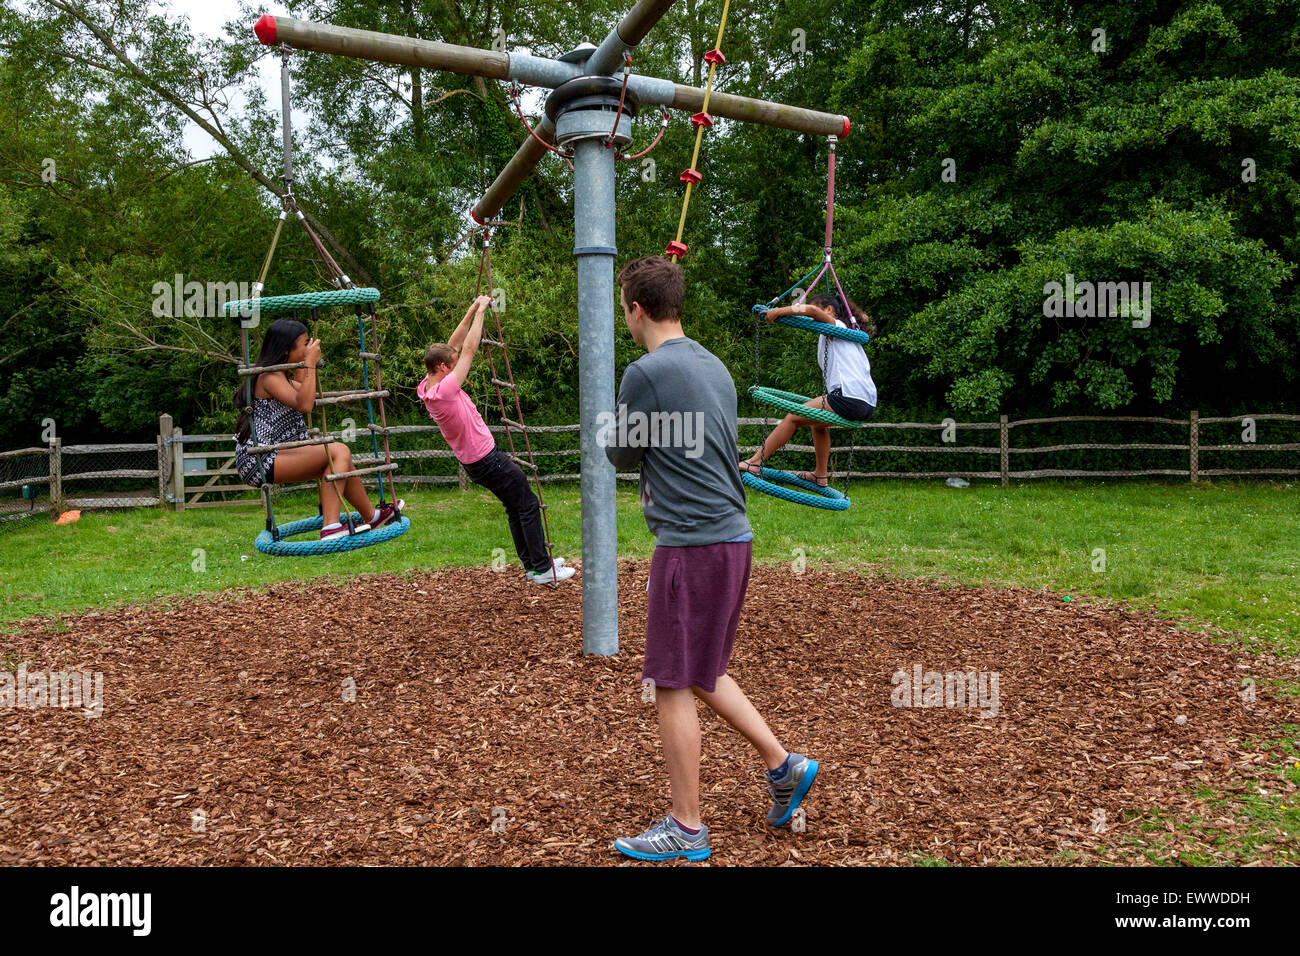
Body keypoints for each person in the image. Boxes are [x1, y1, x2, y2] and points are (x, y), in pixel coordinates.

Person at [605, 255, 818, 863]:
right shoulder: (712, 364)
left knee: (670, 680)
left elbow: (621, 454)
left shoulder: (644, 372)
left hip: (690, 541)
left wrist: (616, 428)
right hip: (733, 536)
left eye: (625, 307)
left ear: (635, 308)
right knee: (703, 670)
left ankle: (687, 827)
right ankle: (784, 766)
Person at [417, 295, 574, 585]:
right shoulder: (445, 392)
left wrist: (471, 309)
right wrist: (482, 314)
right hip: (486, 460)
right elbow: (469, 350)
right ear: (442, 367)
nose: (454, 366)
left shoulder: (428, 385)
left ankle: (533, 563)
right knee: (528, 504)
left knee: (515, 507)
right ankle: (541, 568)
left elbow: (454, 345)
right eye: (450, 365)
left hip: (476, 461)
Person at [234, 318, 403, 540]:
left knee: (342, 460)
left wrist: (304, 364)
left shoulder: (279, 376)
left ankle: (371, 516)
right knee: (338, 451)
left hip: (277, 454)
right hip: (260, 460)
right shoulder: (269, 376)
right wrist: (310, 363)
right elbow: (304, 405)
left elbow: (305, 395)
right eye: (304, 344)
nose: (309, 347)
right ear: (286, 350)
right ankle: (331, 525)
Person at [739, 292, 877, 486]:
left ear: (829, 310)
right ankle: (820, 475)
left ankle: (754, 462)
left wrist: (777, 312)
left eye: (813, 313)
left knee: (792, 417)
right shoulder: (849, 336)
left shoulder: (836, 327)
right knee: (818, 424)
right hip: (867, 402)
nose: (809, 318)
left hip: (848, 396)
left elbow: (811, 310)